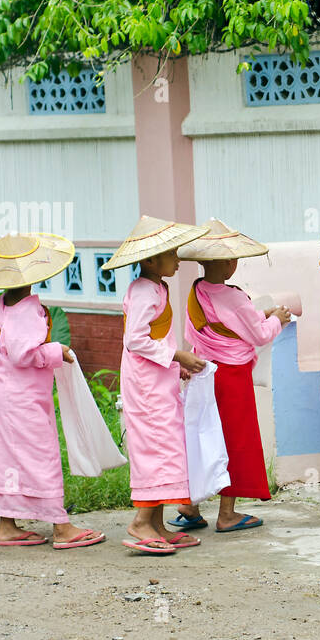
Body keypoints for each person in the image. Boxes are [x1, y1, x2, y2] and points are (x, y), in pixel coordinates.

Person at [0, 233, 107, 550]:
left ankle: (8, 525)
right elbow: (23, 353)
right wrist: (58, 351)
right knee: (40, 454)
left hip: (3, 396)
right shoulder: (26, 310)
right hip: (22, 400)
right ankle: (61, 525)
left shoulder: (3, 304)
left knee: (8, 457)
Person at [171, 218, 291, 531]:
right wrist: (277, 318)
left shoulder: (196, 292)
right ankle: (227, 514)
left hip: (204, 372)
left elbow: (203, 331)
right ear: (229, 263)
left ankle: (190, 504)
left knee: (202, 434)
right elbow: (260, 335)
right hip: (233, 376)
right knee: (235, 440)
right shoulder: (234, 296)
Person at [102, 216, 209, 554]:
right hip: (146, 388)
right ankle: (139, 523)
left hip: (157, 381)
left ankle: (157, 524)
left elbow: (156, 337)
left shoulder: (157, 287)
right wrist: (177, 356)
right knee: (158, 449)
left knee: (168, 446)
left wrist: (174, 365)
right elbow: (135, 340)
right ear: (150, 260)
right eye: (171, 254)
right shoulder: (144, 290)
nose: (178, 260)